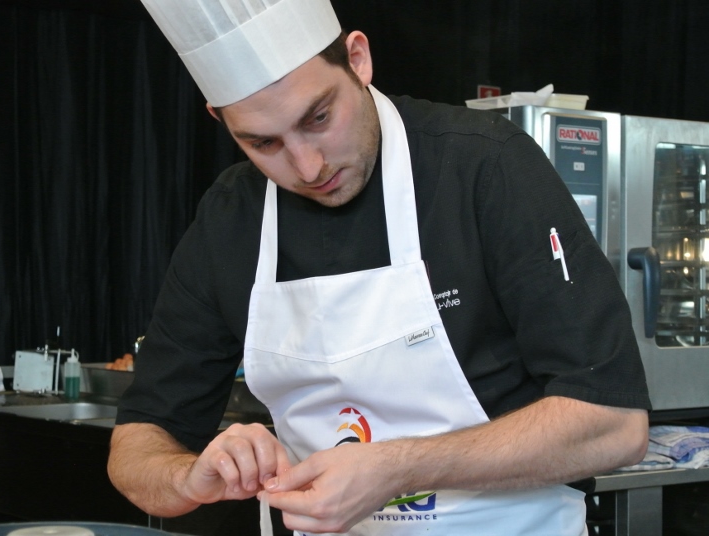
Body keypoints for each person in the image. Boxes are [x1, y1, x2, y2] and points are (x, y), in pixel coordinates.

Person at [108, 1, 651, 534]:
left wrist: (397, 467)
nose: (308, 165)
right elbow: (137, 444)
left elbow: (614, 424)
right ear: (220, 122)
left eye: (319, 117)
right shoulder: (230, 218)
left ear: (358, 59)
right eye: (263, 142)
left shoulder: (485, 168)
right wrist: (190, 477)